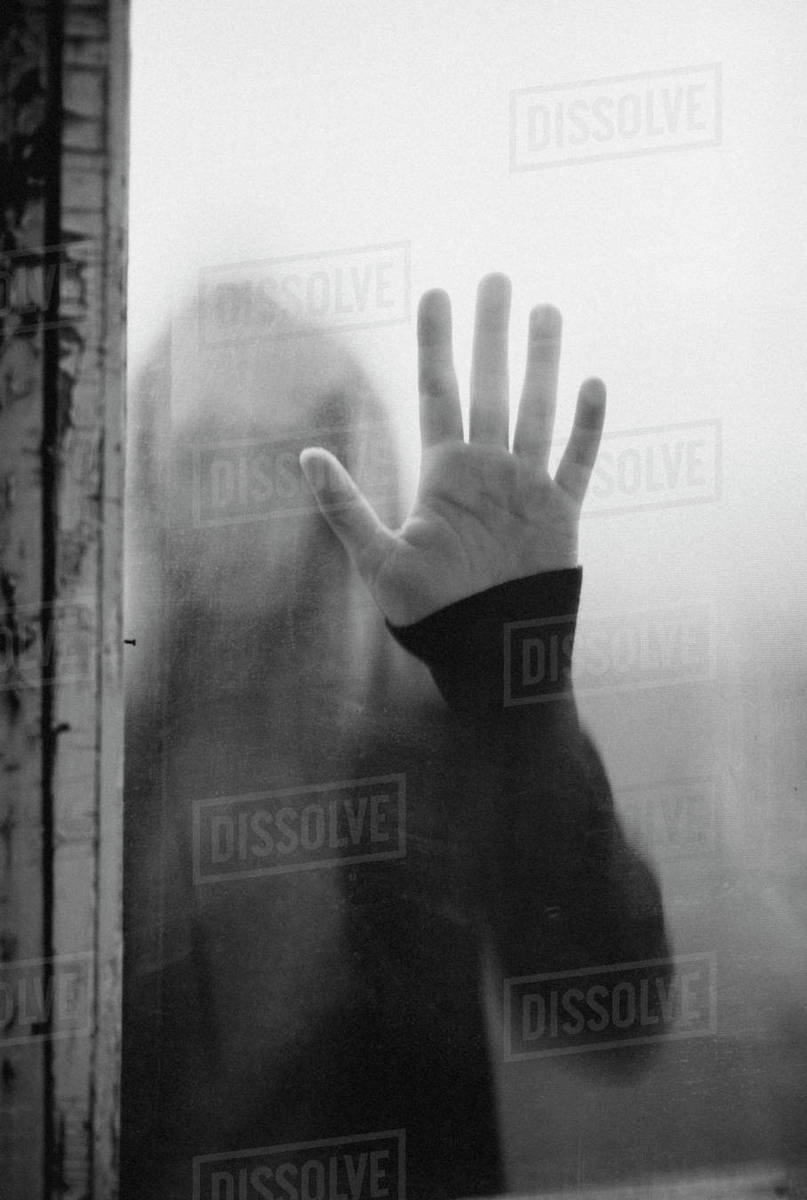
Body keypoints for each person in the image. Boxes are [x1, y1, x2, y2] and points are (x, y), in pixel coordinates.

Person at [121, 274, 670, 1200]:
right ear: (144, 473)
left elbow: (611, 1019)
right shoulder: (89, 769)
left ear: (335, 474)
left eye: (277, 452)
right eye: (204, 448)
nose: (236, 494)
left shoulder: (421, 743)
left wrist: (516, 687)